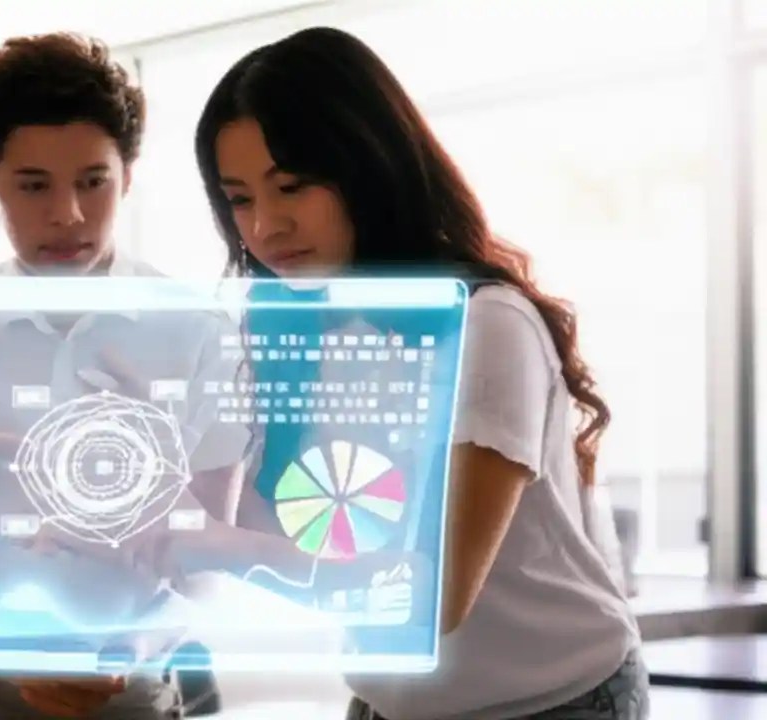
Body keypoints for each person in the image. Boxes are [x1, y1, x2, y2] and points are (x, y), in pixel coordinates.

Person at [193, 26, 647, 720]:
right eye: (240, 199)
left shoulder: (487, 323)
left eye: (292, 186)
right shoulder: (296, 324)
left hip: (553, 700)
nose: (265, 228)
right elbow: (295, 535)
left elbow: (431, 601)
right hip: (390, 701)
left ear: (369, 166)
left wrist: (220, 547)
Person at [0, 32, 247, 719]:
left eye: (93, 182)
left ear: (128, 172)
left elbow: (212, 557)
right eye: (33, 186)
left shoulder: (197, 328)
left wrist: (138, 643)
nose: (67, 214)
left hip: (129, 692)